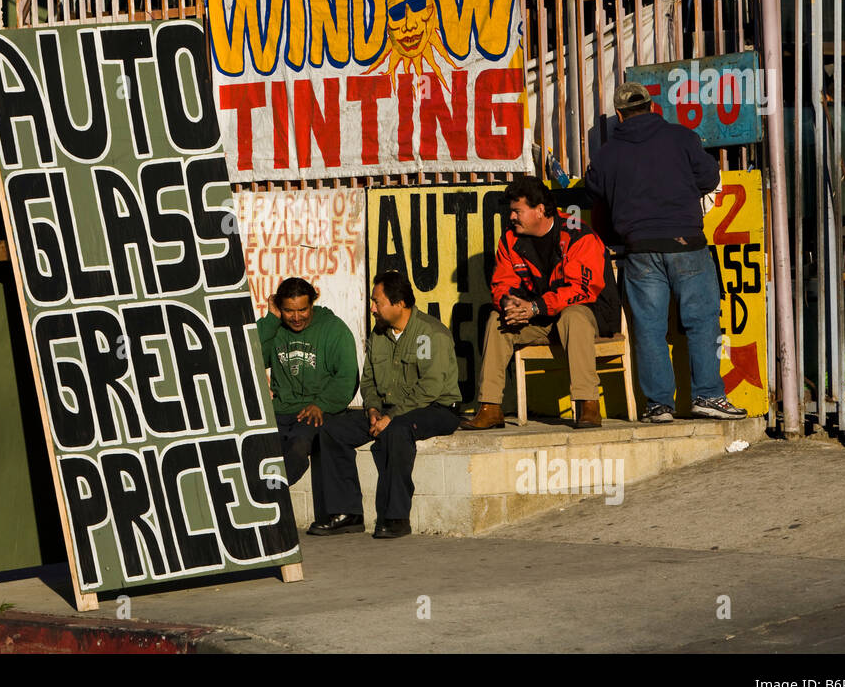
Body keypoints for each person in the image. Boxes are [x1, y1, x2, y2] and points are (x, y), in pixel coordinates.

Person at [584, 81, 745, 422]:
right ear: (653, 106)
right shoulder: (683, 138)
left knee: (649, 328)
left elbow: (594, 188)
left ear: (619, 115)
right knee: (702, 323)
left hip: (640, 249)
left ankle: (659, 405)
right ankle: (709, 397)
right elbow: (709, 176)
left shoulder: (607, 153)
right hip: (687, 243)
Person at [309, 271, 460, 540]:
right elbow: (368, 381)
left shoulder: (429, 335)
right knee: (331, 431)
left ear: (400, 303)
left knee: (397, 431)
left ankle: (396, 516)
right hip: (388, 410)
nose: (372, 308)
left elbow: (430, 388)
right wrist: (373, 410)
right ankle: (346, 513)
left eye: (378, 302)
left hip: (435, 409)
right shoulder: (379, 335)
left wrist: (391, 417)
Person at [463, 176, 621, 431]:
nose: (512, 217)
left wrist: (534, 307)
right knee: (497, 320)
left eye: (517, 211)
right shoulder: (510, 239)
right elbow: (502, 281)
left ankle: (588, 403)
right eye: (511, 211)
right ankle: (490, 407)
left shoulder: (578, 233)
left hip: (589, 315)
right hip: (541, 318)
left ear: (539, 210)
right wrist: (508, 303)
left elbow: (580, 291)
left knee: (574, 315)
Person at [256, 277, 358, 491]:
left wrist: (322, 404)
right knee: (256, 442)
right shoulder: (275, 327)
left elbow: (348, 378)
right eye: (288, 311)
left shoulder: (334, 329)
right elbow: (250, 357)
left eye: (302, 310)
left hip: (317, 410)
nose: (295, 318)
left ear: (312, 303)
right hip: (281, 410)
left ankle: (272, 493)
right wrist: (271, 319)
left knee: (298, 444)